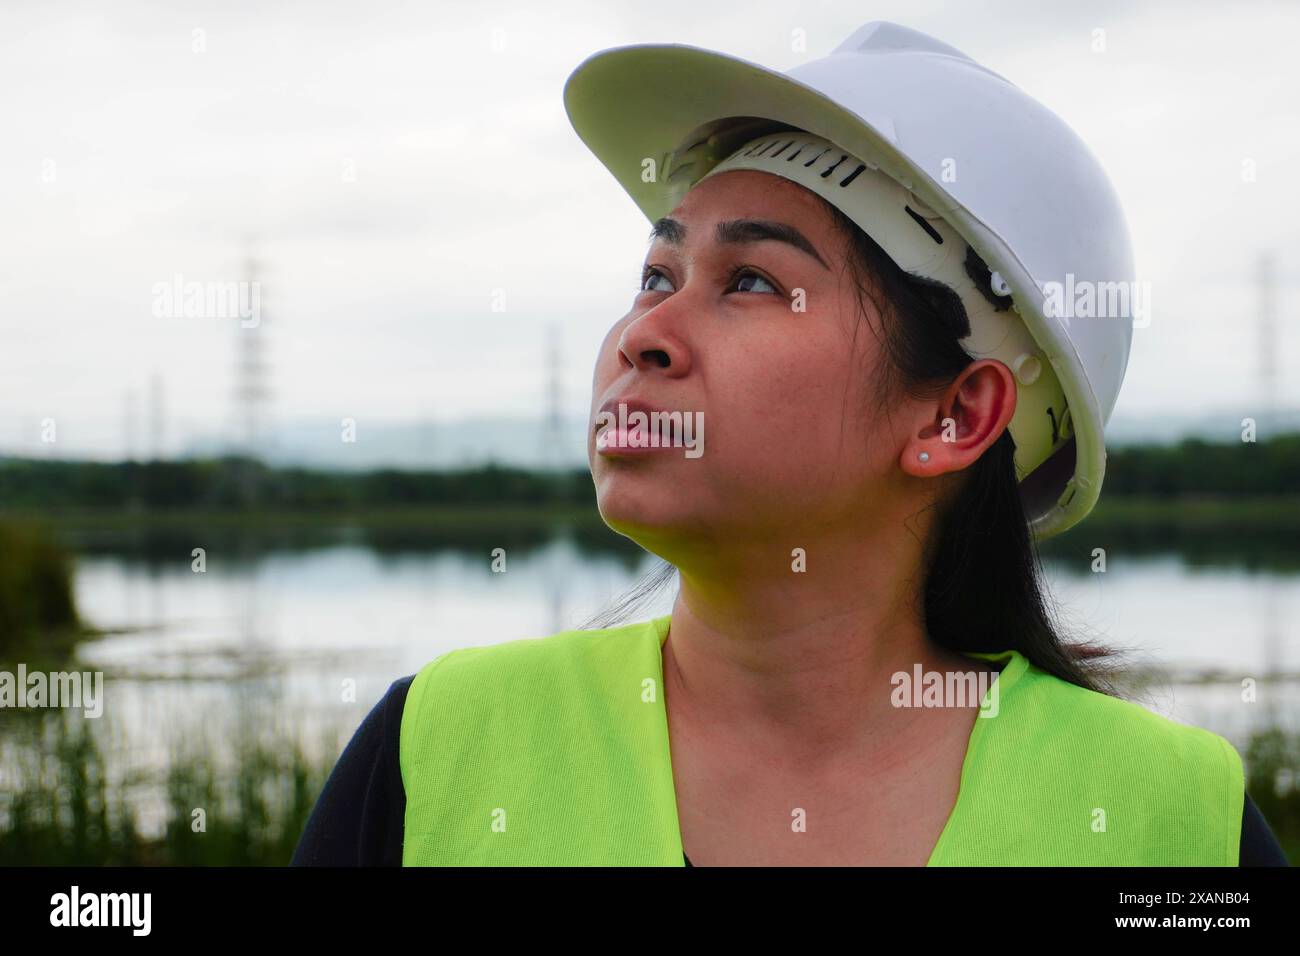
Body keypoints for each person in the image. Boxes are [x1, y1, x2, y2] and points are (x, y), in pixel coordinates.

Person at [292, 21, 1289, 866]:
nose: (642, 334)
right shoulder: (433, 750)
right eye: (654, 274)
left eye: (751, 282)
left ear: (956, 417)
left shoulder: (1174, 823)